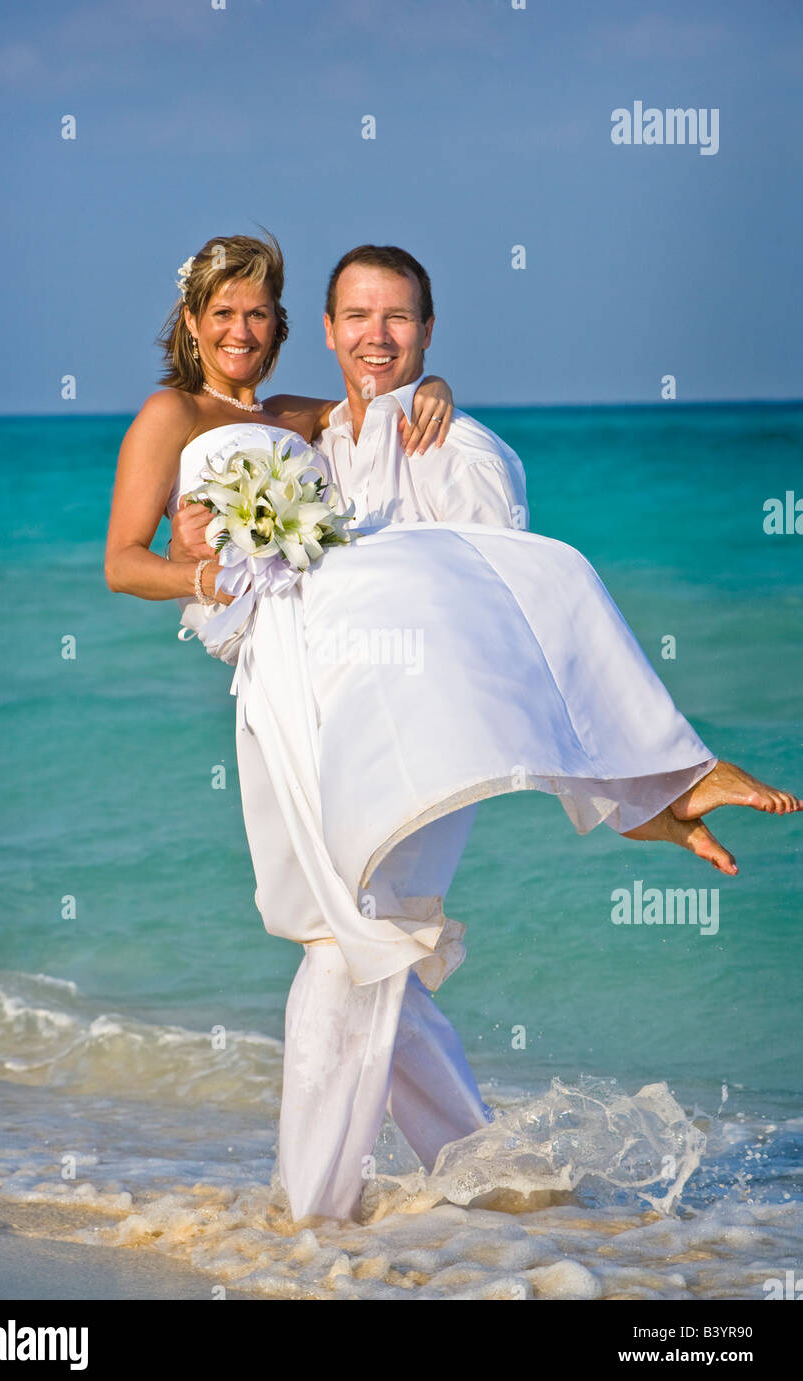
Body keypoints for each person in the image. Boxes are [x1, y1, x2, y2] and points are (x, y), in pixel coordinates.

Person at [107, 233, 801, 1225]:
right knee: (357, 941)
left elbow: (377, 420)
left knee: (356, 941)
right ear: (191, 322)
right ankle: (488, 1180)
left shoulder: (301, 417)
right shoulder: (167, 415)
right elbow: (125, 561)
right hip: (287, 686)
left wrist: (425, 393)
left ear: (282, 328)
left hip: (364, 693)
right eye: (222, 314)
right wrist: (206, 569)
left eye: (259, 314)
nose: (240, 330)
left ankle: (317, 1217)